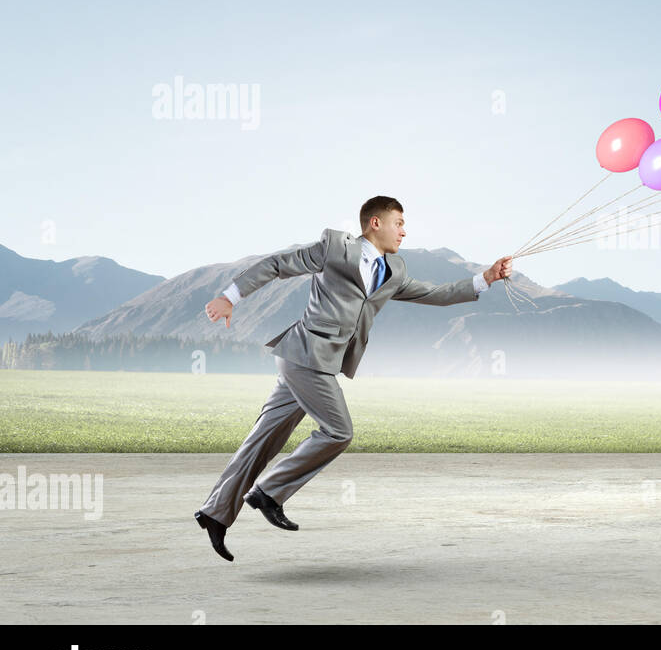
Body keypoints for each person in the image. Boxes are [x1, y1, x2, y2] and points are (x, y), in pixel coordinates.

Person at [193, 195, 512, 561]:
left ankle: (215, 513)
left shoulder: (395, 271)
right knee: (339, 431)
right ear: (375, 223)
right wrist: (230, 296)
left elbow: (435, 294)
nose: (404, 231)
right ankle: (267, 492)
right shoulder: (334, 248)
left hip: (316, 361)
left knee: (263, 439)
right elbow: (279, 265)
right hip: (305, 354)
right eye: (399, 223)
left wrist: (484, 279)